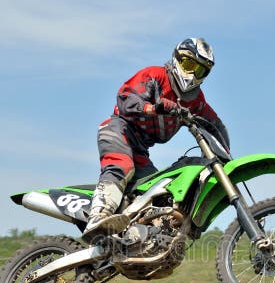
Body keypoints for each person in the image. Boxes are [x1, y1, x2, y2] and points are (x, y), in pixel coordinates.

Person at [83, 37, 229, 240]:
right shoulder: (155, 75)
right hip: (119, 130)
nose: (193, 74)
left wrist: (225, 156)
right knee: (122, 166)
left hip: (140, 150)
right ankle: (99, 216)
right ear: (177, 59)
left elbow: (215, 125)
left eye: (201, 70)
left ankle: (135, 240)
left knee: (159, 194)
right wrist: (153, 107)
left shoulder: (196, 100)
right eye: (189, 64)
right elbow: (126, 98)